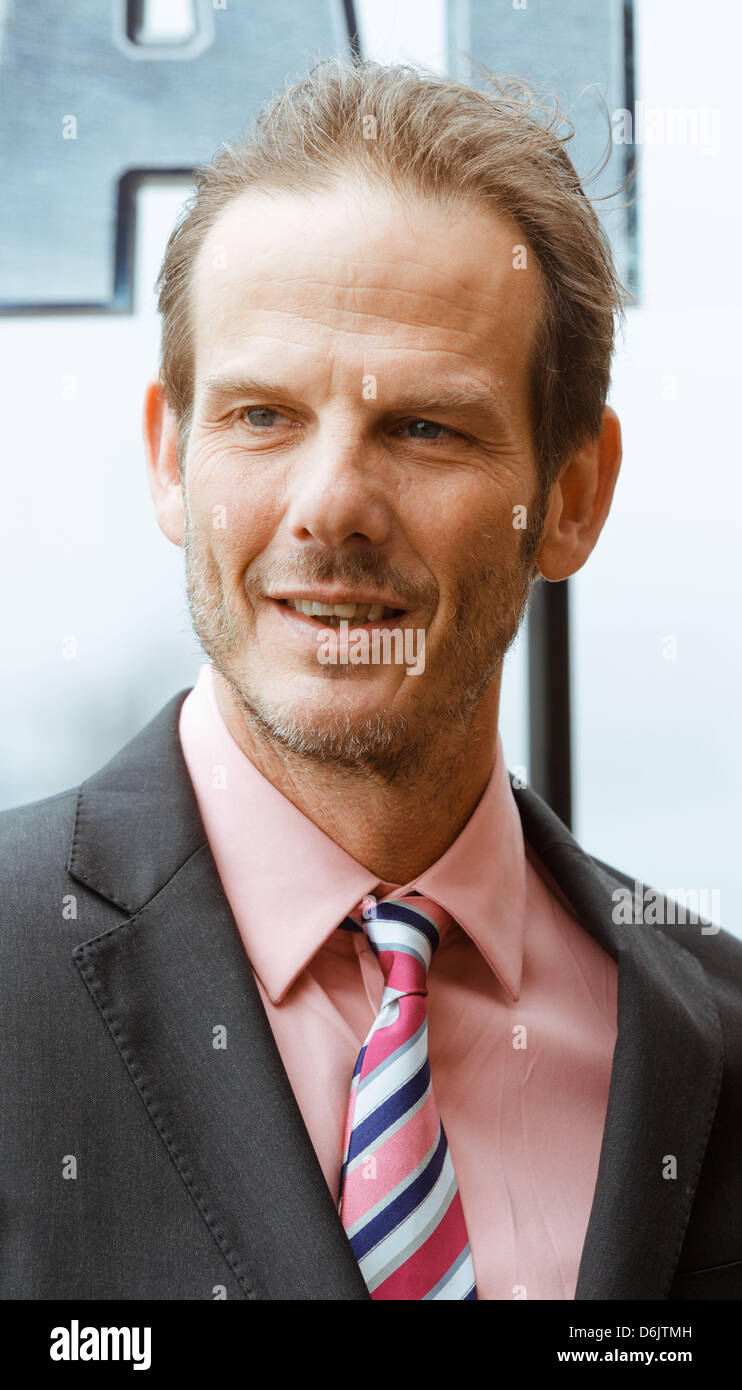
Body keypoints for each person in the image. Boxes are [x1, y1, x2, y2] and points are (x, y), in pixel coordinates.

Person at [1, 58, 740, 1302]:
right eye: (262, 418)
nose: (331, 507)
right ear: (169, 459)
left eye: (423, 427)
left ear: (570, 495)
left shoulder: (713, 1045)